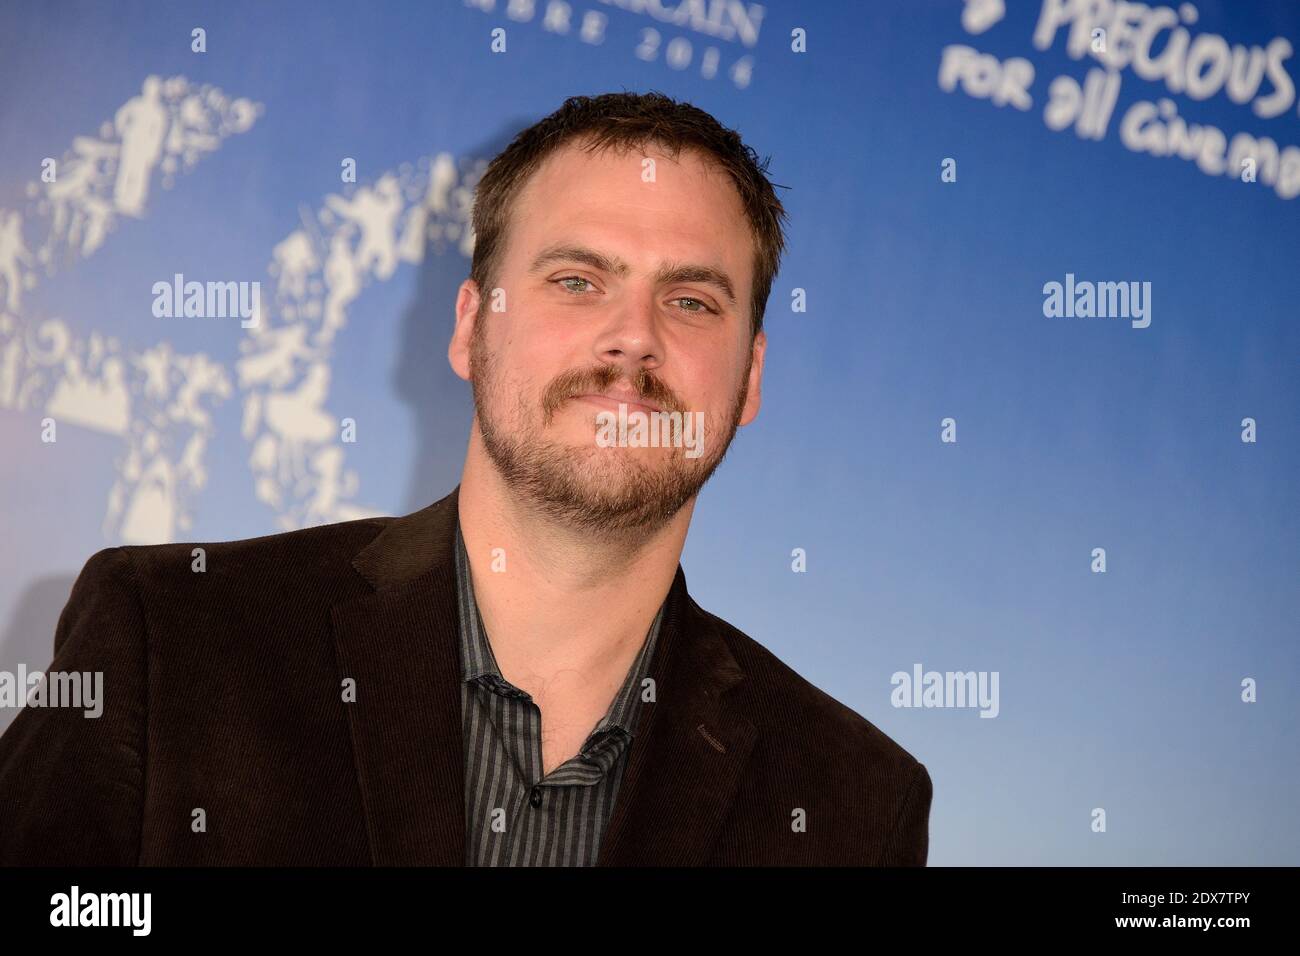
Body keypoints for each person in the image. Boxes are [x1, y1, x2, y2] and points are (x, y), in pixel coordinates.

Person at [0, 91, 931, 866]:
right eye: (577, 280)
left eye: (690, 300)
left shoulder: (853, 804)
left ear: (752, 378)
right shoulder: (173, 639)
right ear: (469, 329)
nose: (634, 337)